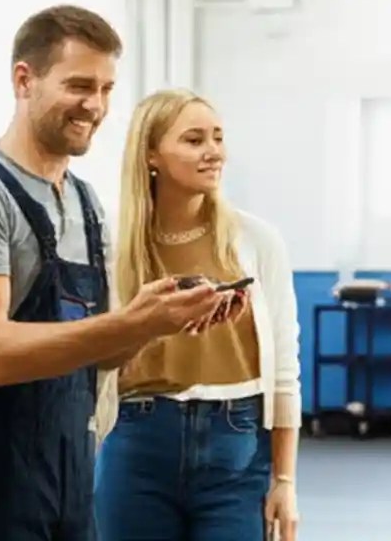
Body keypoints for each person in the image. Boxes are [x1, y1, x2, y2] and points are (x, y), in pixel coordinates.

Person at [0, 6, 234, 541]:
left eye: (106, 88)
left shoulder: (85, 202)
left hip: (69, 482)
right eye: (79, 85)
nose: (95, 105)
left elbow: (97, 353)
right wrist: (131, 323)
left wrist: (156, 321)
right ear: (23, 80)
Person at [92, 88, 303, 541]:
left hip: (237, 443)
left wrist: (285, 481)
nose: (214, 152)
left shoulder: (256, 240)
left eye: (218, 137)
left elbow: (285, 368)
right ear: (151, 154)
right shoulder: (110, 244)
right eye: (194, 140)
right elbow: (93, 349)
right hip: (136, 440)